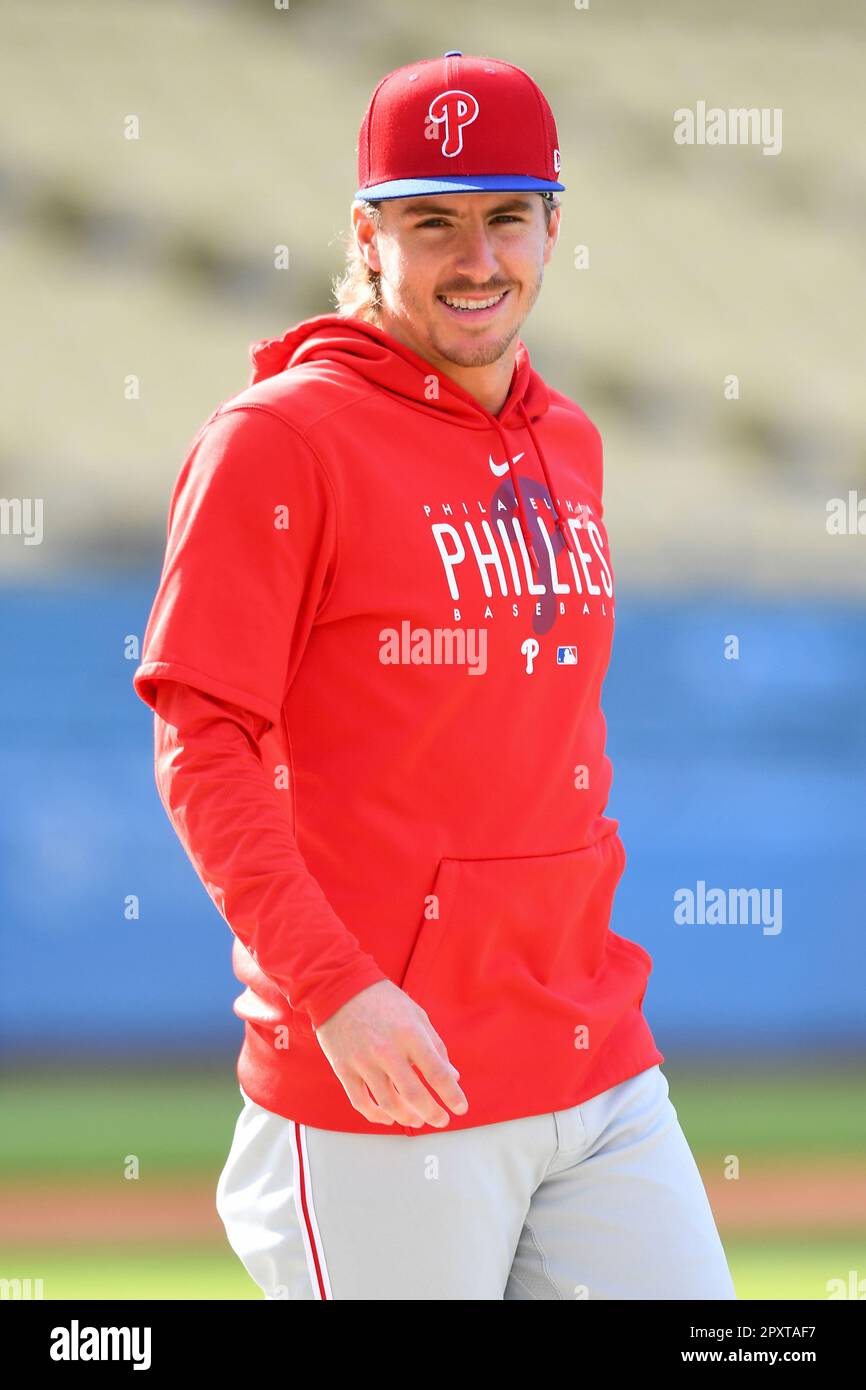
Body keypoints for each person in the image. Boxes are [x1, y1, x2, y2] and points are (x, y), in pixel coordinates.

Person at [133, 50, 736, 1301]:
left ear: (552, 226)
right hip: (385, 1082)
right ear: (366, 233)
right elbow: (202, 744)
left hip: (594, 1056)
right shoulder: (277, 442)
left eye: (505, 216)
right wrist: (338, 988)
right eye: (430, 222)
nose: (476, 258)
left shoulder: (567, 440)